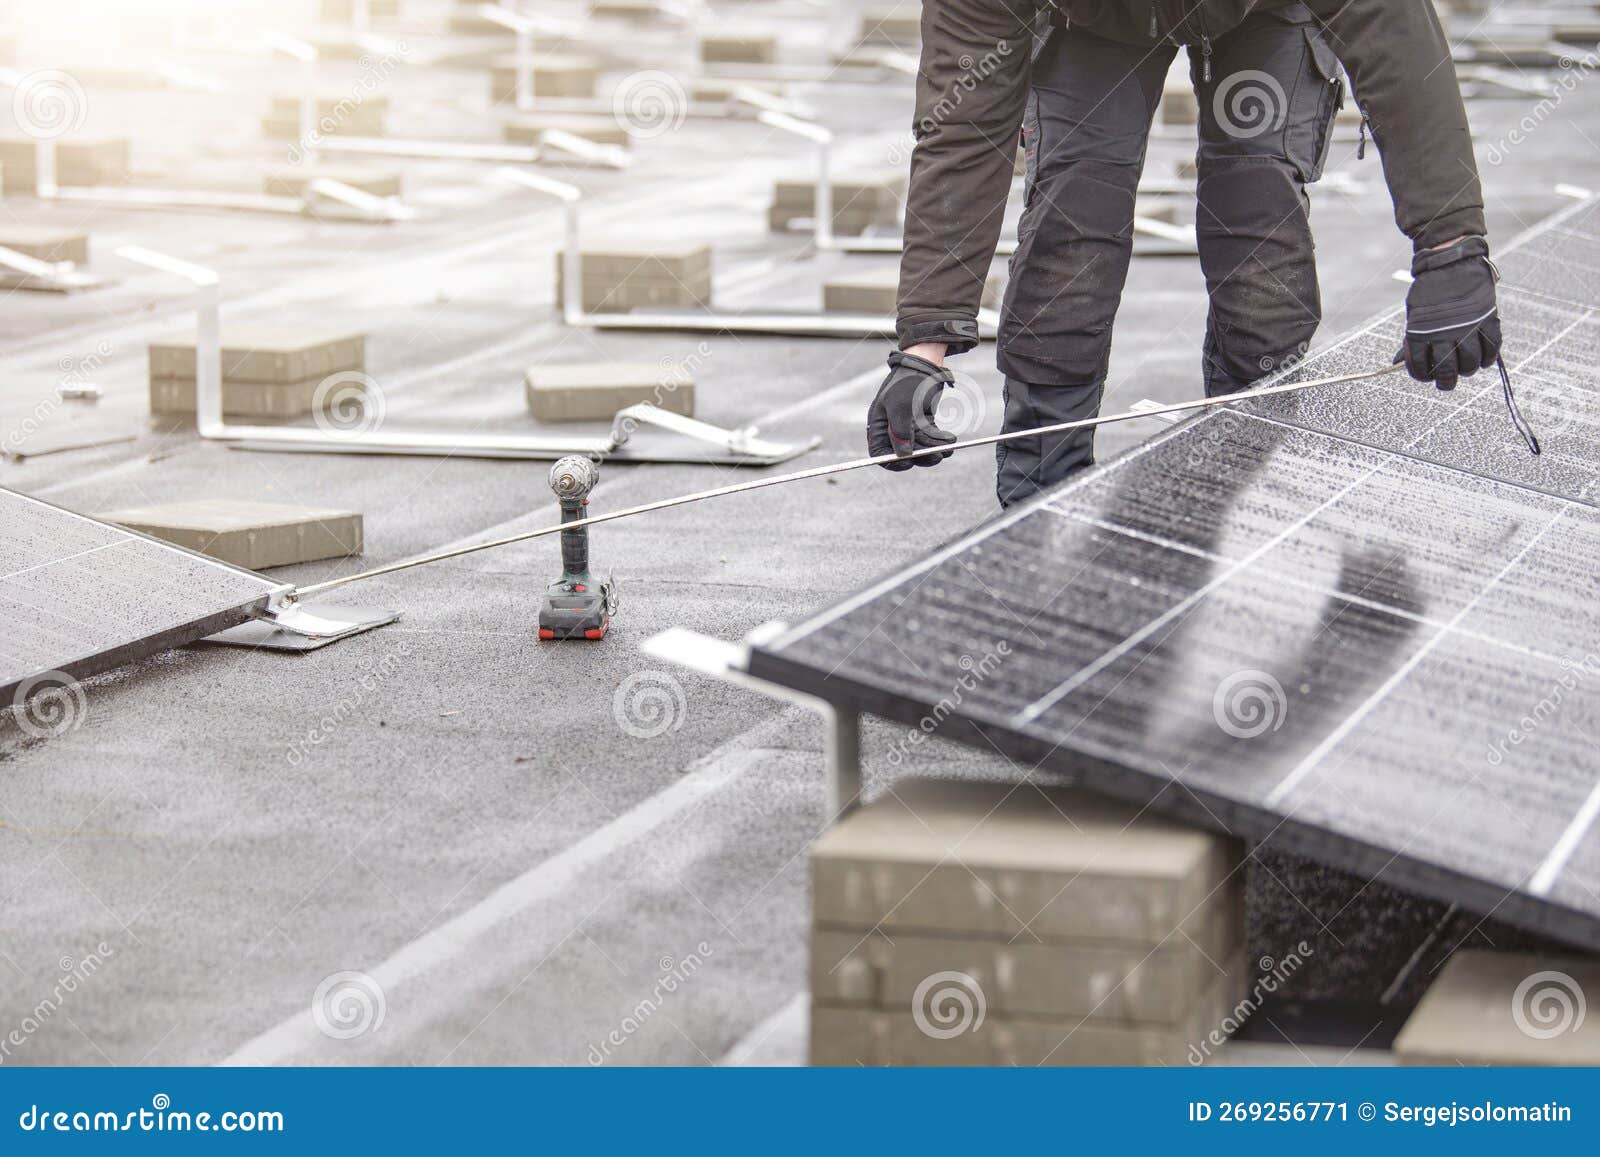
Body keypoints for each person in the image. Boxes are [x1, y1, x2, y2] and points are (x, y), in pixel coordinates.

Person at [866, 0, 1503, 506]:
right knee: (1075, 216)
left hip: (1263, 12)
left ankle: (1247, 484)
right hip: (1092, 17)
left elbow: (1394, 39)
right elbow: (963, 128)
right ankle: (1042, 502)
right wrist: (925, 342)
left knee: (1258, 218)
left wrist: (1449, 249)